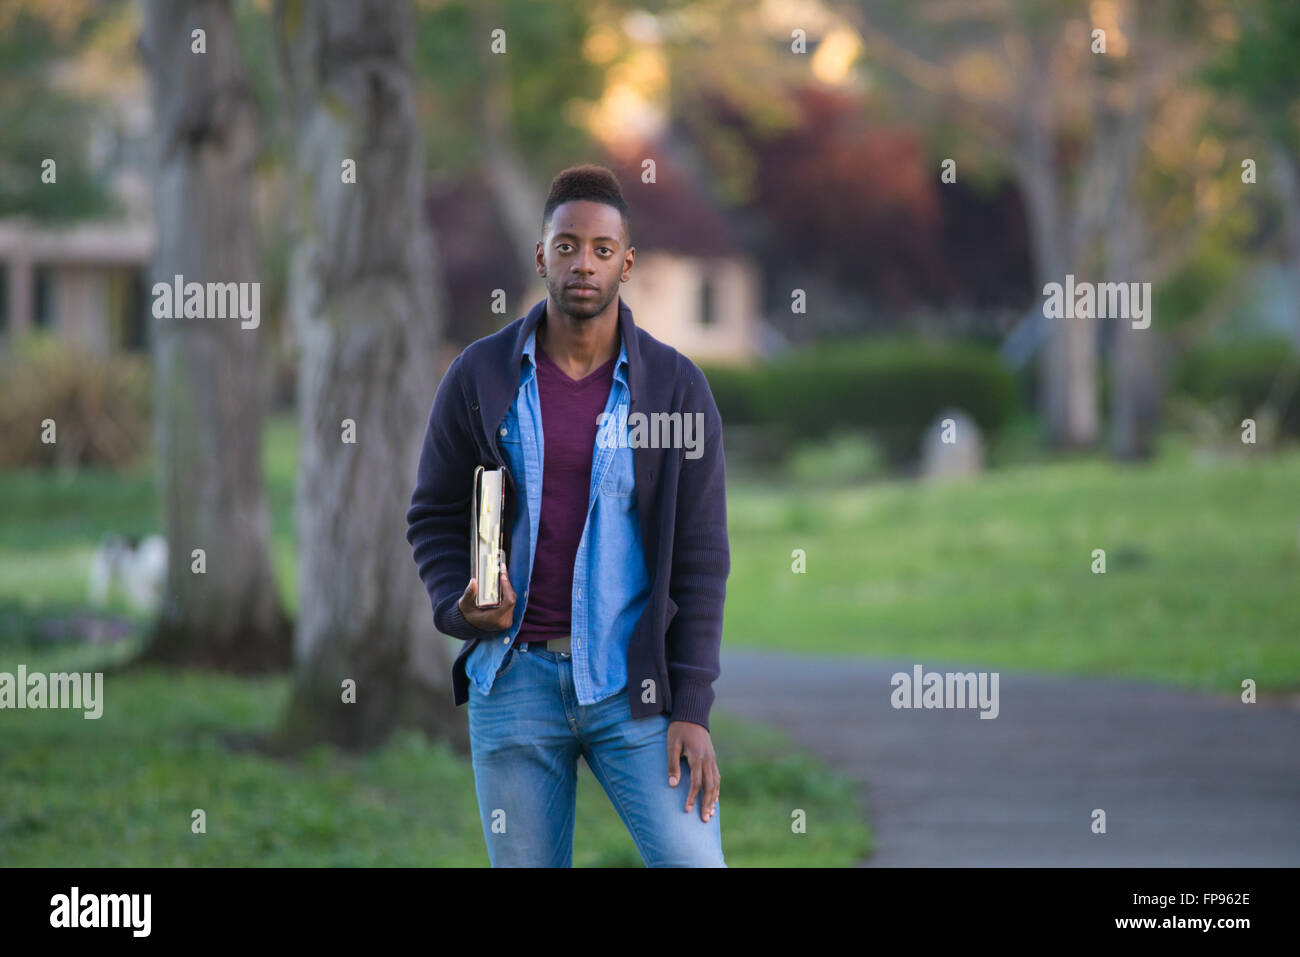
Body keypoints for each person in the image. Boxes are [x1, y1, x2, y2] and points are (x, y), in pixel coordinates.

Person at [406, 164, 729, 867]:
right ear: (541, 256)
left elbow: (703, 558)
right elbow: (431, 513)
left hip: (632, 687)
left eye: (602, 249)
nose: (584, 262)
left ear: (627, 263)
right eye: (567, 245)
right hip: (513, 684)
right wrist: (456, 605)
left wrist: (692, 707)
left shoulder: (676, 390)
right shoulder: (481, 375)